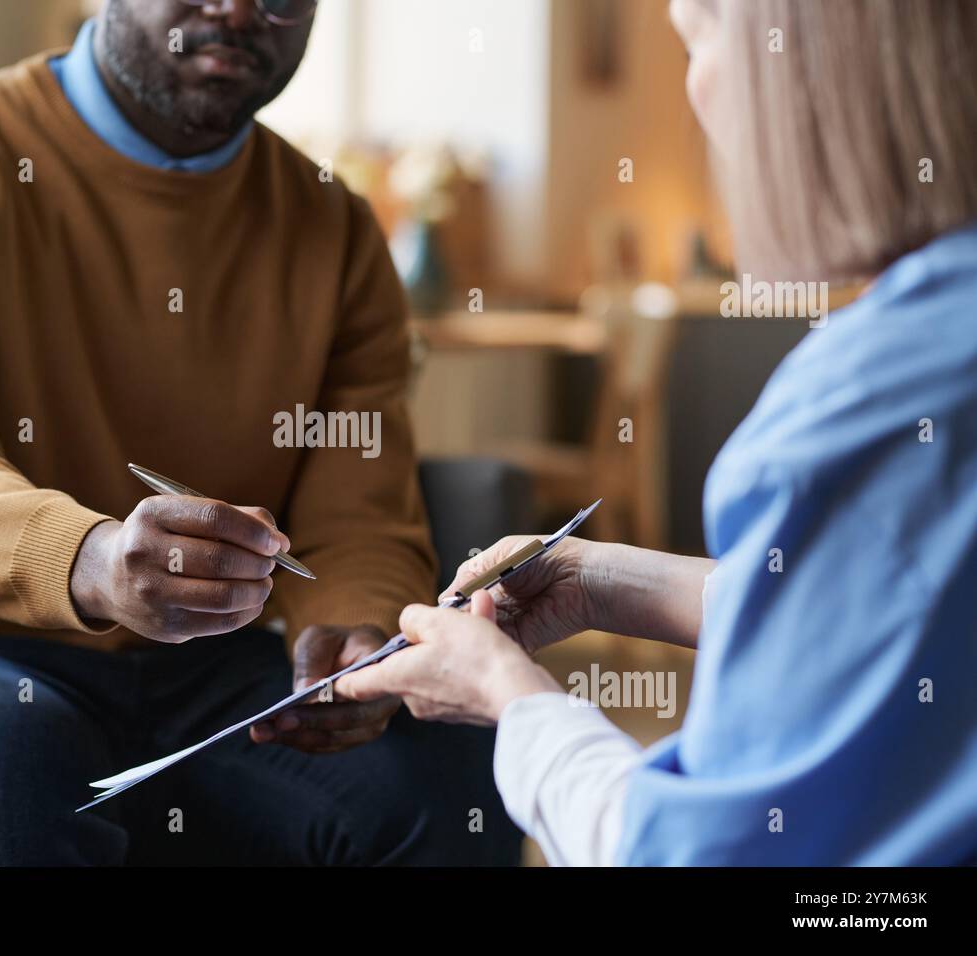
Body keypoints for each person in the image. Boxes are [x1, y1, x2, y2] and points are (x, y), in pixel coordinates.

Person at [0, 0, 518, 865]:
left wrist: (354, 635)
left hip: (215, 678)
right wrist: (85, 558)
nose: (241, 10)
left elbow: (357, 506)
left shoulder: (336, 227)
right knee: (0, 768)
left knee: (454, 770)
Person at [337, 0, 977, 865]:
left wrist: (511, 698)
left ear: (802, 64)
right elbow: (886, 611)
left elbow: (703, 859)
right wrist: (601, 579)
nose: (696, 94)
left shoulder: (864, 414)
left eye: (694, 42)